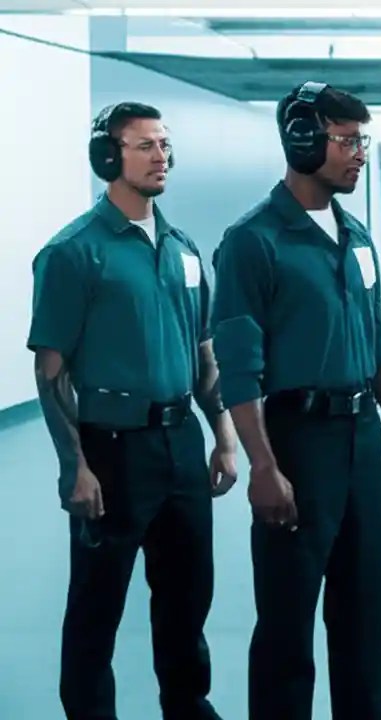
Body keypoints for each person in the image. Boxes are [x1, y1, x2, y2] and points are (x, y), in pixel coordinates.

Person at [210, 81, 381, 720]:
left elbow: (376, 336)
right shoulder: (253, 241)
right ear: (303, 139)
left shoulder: (355, 234)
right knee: (287, 618)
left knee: (365, 612)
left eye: (364, 141)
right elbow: (240, 369)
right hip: (296, 440)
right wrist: (264, 468)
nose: (359, 153)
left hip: (359, 437)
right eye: (348, 140)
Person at [28, 101, 236, 720]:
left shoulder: (184, 248)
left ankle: (187, 705)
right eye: (144, 145)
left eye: (165, 145)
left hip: (181, 445)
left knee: (187, 595)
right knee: (97, 604)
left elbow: (205, 353)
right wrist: (74, 466)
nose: (160, 156)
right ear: (108, 157)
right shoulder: (73, 252)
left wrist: (222, 435)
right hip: (111, 451)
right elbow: (49, 373)